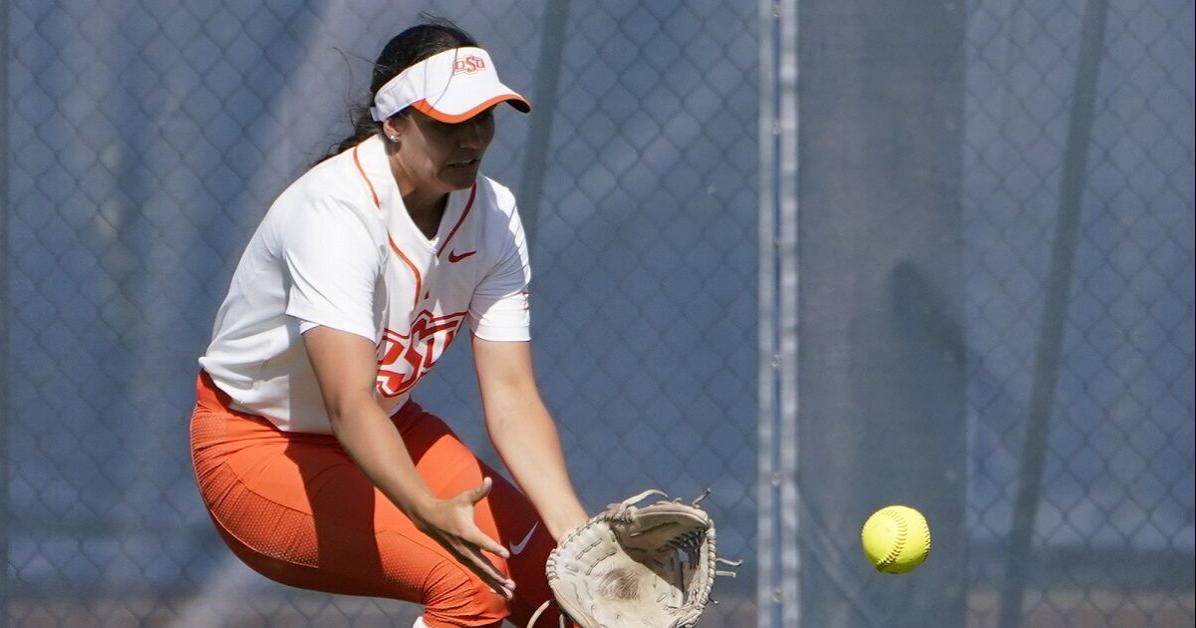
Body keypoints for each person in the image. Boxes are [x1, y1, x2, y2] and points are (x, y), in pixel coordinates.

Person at [190, 20, 588, 628]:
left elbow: (511, 396)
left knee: (572, 591)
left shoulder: (494, 214)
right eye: (449, 122)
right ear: (393, 124)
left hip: (393, 429)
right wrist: (428, 509)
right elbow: (349, 404)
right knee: (473, 581)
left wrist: (579, 537)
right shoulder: (334, 210)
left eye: (485, 118)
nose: (473, 139)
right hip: (262, 446)